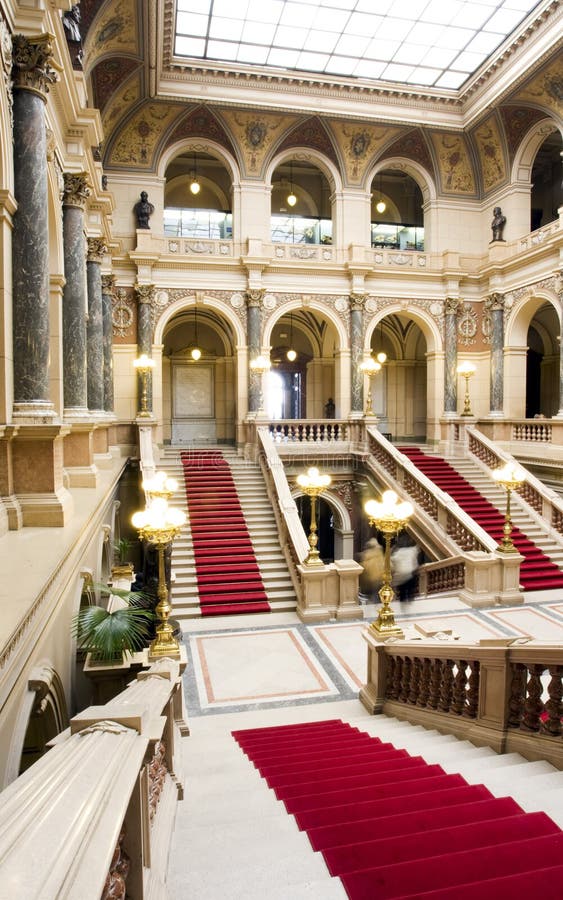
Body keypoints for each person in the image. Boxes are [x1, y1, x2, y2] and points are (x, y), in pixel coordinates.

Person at [391, 533, 421, 601]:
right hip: (409, 575)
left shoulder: (398, 552)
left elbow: (392, 560)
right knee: (410, 591)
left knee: (402, 593)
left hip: (401, 576)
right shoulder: (412, 550)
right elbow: (417, 548)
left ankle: (404, 605)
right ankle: (410, 601)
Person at [359, 537, 385, 602]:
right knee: (378, 595)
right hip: (380, 579)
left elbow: (364, 567)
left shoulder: (366, 555)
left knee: (373, 596)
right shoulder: (380, 553)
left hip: (371, 581)